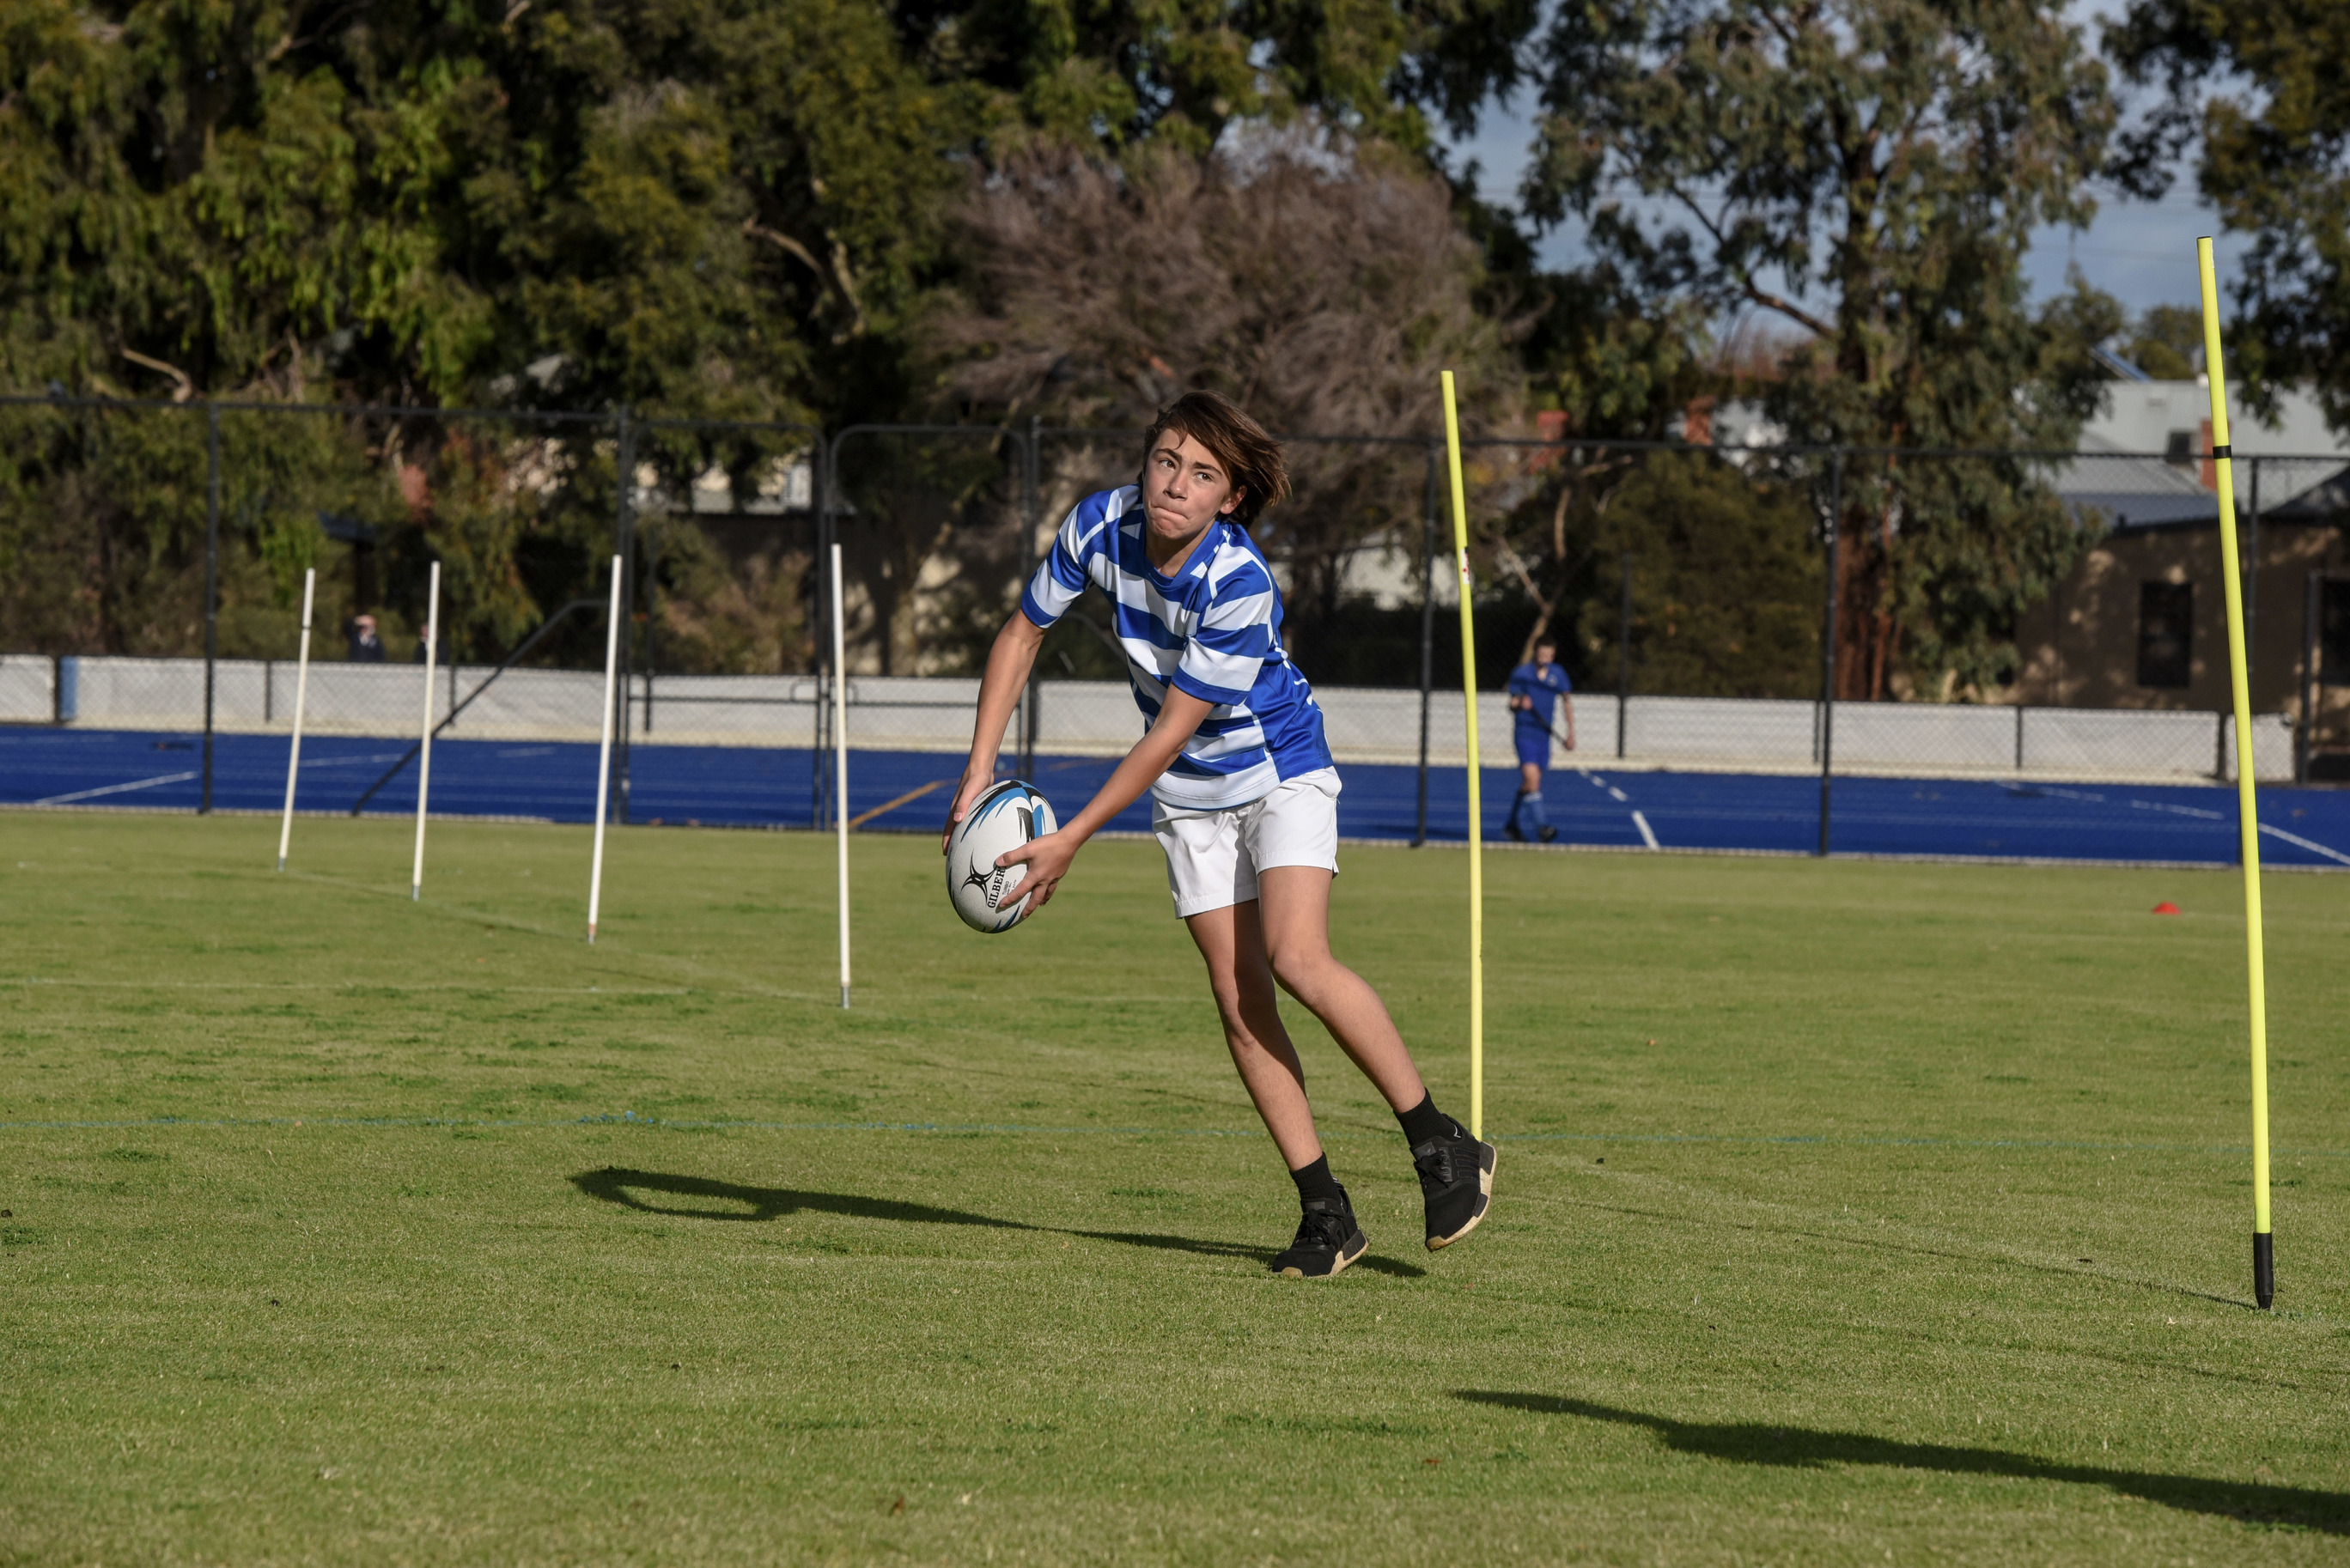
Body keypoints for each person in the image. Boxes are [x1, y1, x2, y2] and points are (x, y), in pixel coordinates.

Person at [943, 391, 1495, 1280]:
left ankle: (1441, 1144)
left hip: (1278, 768)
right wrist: (979, 769)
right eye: (1167, 460)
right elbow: (1021, 632)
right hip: (1191, 794)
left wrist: (1071, 836)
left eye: (1202, 475)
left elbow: (1168, 729)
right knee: (1239, 1003)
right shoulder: (1098, 526)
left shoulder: (1239, 581)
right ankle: (1327, 1213)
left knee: (1295, 955)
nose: (1176, 484)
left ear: (1230, 498)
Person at [1504, 635, 1574, 843]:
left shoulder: (1557, 674)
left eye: (1549, 655)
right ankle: (1543, 827)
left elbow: (1567, 701)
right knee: (1532, 780)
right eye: (1542, 653)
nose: (1545, 658)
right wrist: (1519, 703)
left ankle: (1511, 825)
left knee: (1530, 783)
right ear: (1535, 652)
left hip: (1544, 736)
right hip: (1525, 733)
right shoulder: (1522, 673)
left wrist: (1571, 732)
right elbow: (1511, 704)